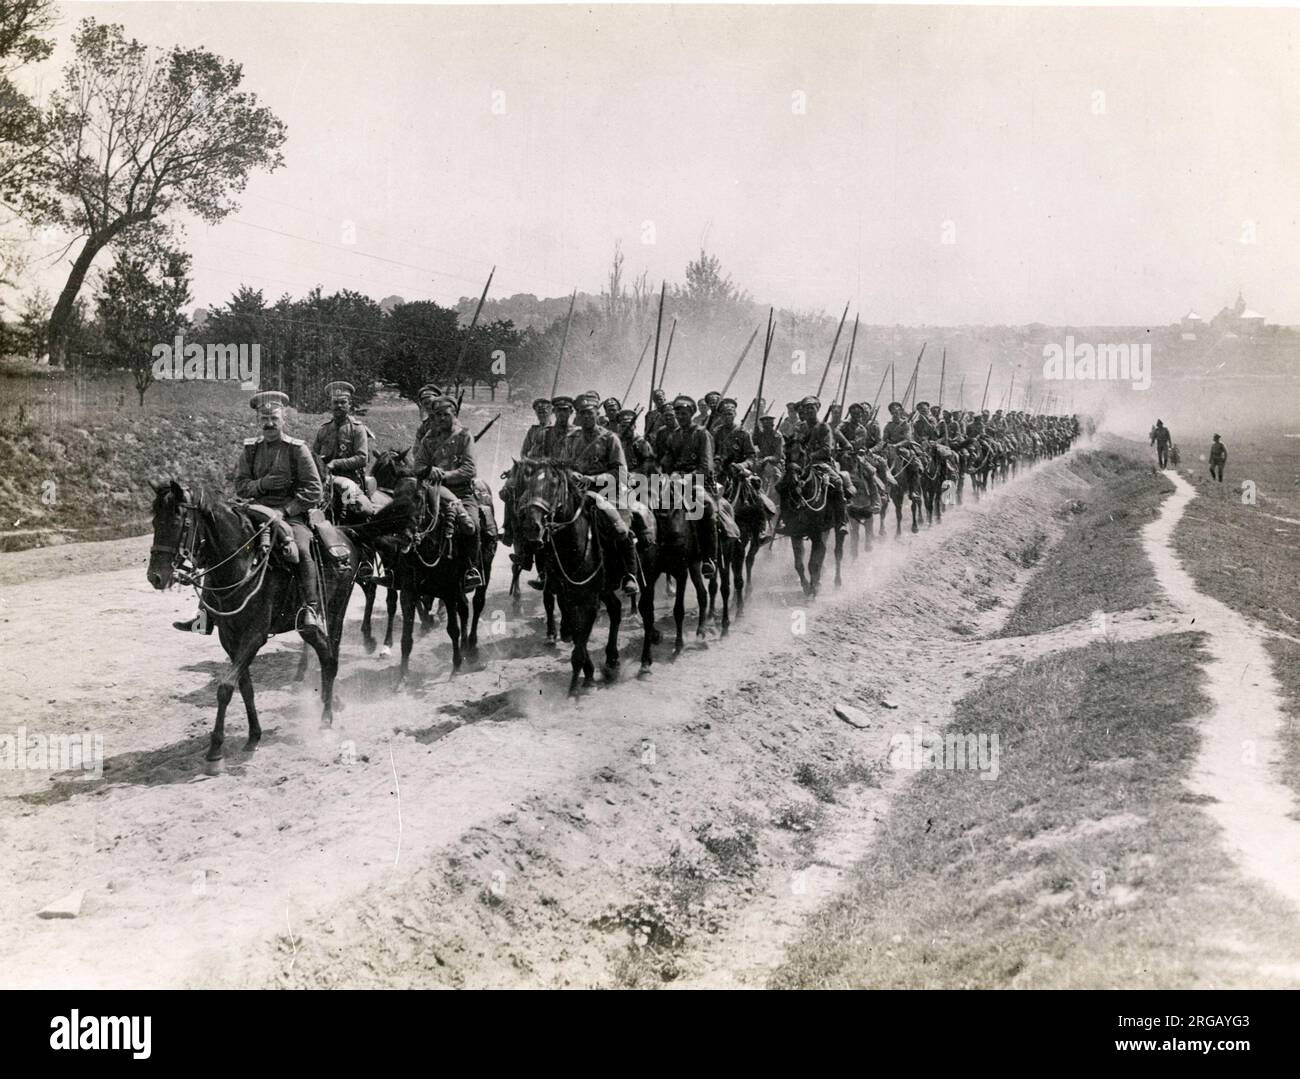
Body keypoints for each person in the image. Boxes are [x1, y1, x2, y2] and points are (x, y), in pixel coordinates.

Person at [237, 390, 326, 629]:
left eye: (274, 418)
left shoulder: (297, 449)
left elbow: (314, 490)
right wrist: (262, 484)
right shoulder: (251, 449)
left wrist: (286, 511)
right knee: (222, 542)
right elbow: (240, 486)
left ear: (283, 419)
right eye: (264, 419)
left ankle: (311, 608)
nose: (269, 423)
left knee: (302, 549)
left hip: (291, 516)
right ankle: (205, 613)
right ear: (257, 421)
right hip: (255, 511)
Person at [559, 396, 640, 596]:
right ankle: (547, 571)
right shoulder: (571, 439)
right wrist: (571, 474)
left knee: (620, 527)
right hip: (576, 491)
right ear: (577, 415)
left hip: (607, 492)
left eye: (590, 412)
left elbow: (620, 472)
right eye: (582, 413)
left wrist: (592, 479)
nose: (586, 416)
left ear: (597, 414)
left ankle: (630, 574)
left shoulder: (610, 438)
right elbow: (562, 465)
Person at [411, 394, 487, 592]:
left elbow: (469, 469)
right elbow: (417, 465)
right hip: (432, 491)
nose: (441, 419)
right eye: (437, 415)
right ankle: (403, 570)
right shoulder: (429, 438)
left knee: (472, 525)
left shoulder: (464, 436)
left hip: (461, 491)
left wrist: (443, 474)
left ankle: (471, 568)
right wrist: (428, 470)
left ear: (454, 415)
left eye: (445, 414)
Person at [312, 381, 370, 487]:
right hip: (324, 478)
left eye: (343, 402)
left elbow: (362, 458)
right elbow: (314, 455)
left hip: (350, 480)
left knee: (354, 501)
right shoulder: (323, 429)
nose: (339, 405)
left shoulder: (357, 429)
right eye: (335, 402)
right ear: (330, 405)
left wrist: (335, 463)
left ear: (349, 404)